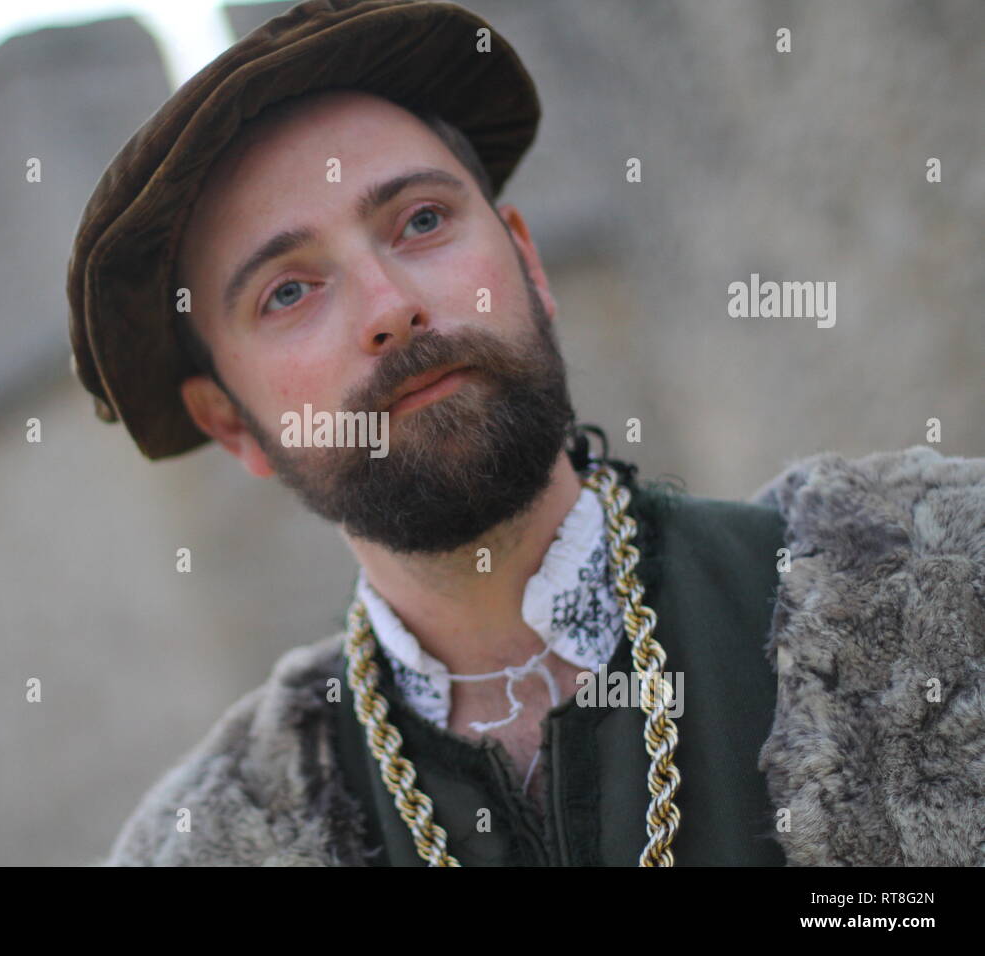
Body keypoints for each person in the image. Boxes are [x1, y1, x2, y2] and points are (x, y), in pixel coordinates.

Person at [66, 0, 985, 866]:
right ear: (235, 425)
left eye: (421, 221)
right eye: (290, 292)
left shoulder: (941, 603)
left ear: (527, 261)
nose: (391, 308)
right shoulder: (203, 847)